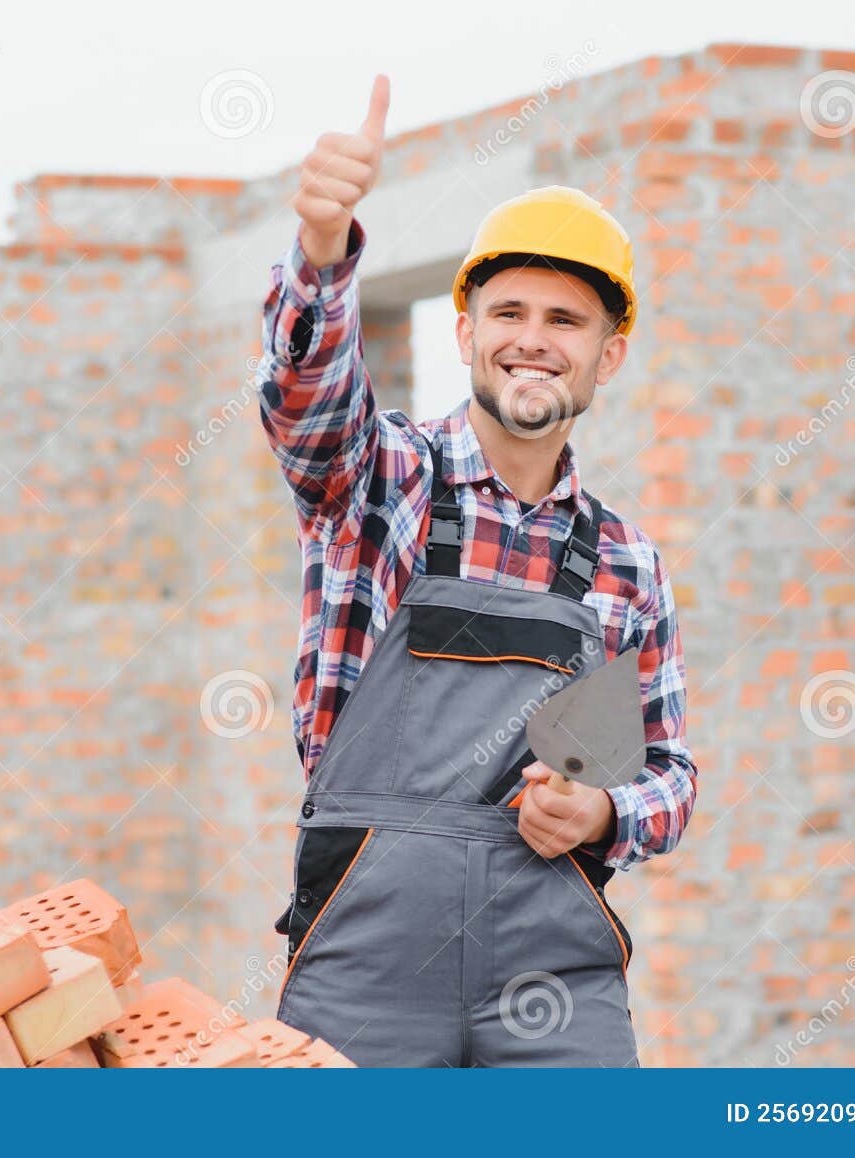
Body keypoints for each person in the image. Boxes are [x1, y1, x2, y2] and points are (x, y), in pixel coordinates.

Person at [257, 74, 698, 1067]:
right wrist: (322, 249)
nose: (532, 340)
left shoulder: (627, 563)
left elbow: (666, 775)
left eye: (566, 320)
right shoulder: (383, 485)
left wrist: (603, 810)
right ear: (465, 334)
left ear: (608, 355)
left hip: (553, 975)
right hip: (369, 958)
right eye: (507, 312)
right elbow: (308, 406)